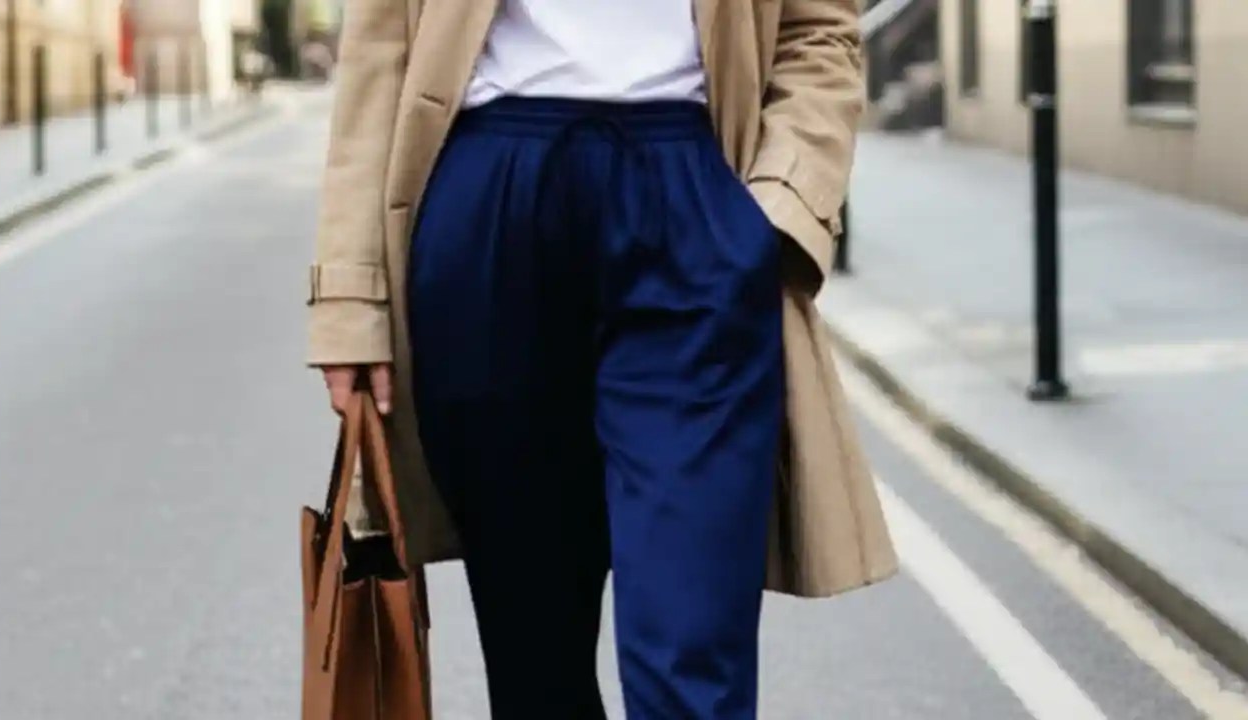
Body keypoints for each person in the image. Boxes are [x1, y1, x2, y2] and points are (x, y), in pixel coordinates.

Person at [307, 2, 898, 717]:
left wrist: (776, 209)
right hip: (491, 204)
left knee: (693, 660)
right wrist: (349, 297)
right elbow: (378, 51)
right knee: (536, 669)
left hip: (691, 201)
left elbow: (818, 30)